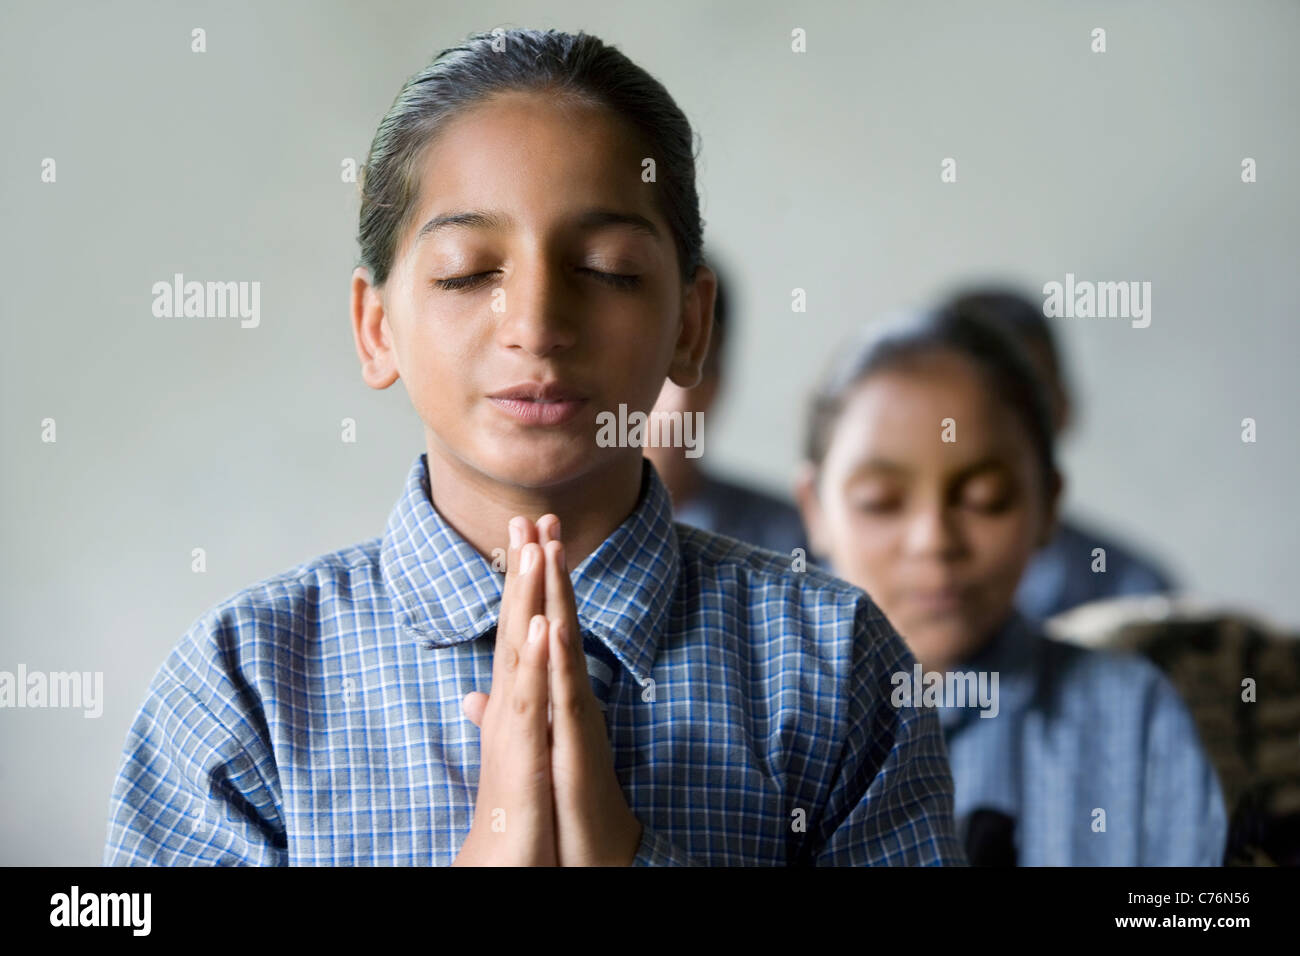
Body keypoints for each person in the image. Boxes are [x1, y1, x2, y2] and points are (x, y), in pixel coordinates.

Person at [103, 28, 963, 866]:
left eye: (607, 268)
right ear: (376, 329)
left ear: (689, 325)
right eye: (469, 273)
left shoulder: (834, 659)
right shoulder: (245, 685)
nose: (537, 325)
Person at [794, 304, 1228, 865]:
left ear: (1048, 504)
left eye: (985, 500)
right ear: (815, 509)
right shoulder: (739, 712)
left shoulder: (1130, 716)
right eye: (882, 502)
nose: (934, 540)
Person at [948, 288, 1176, 622]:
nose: (993, 422)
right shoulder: (852, 591)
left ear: (1064, 408)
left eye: (1025, 397)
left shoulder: (1137, 596)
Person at [644, 260, 810, 557]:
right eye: (655, 371)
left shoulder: (792, 538)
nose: (679, 407)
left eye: (703, 371)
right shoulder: (551, 536)